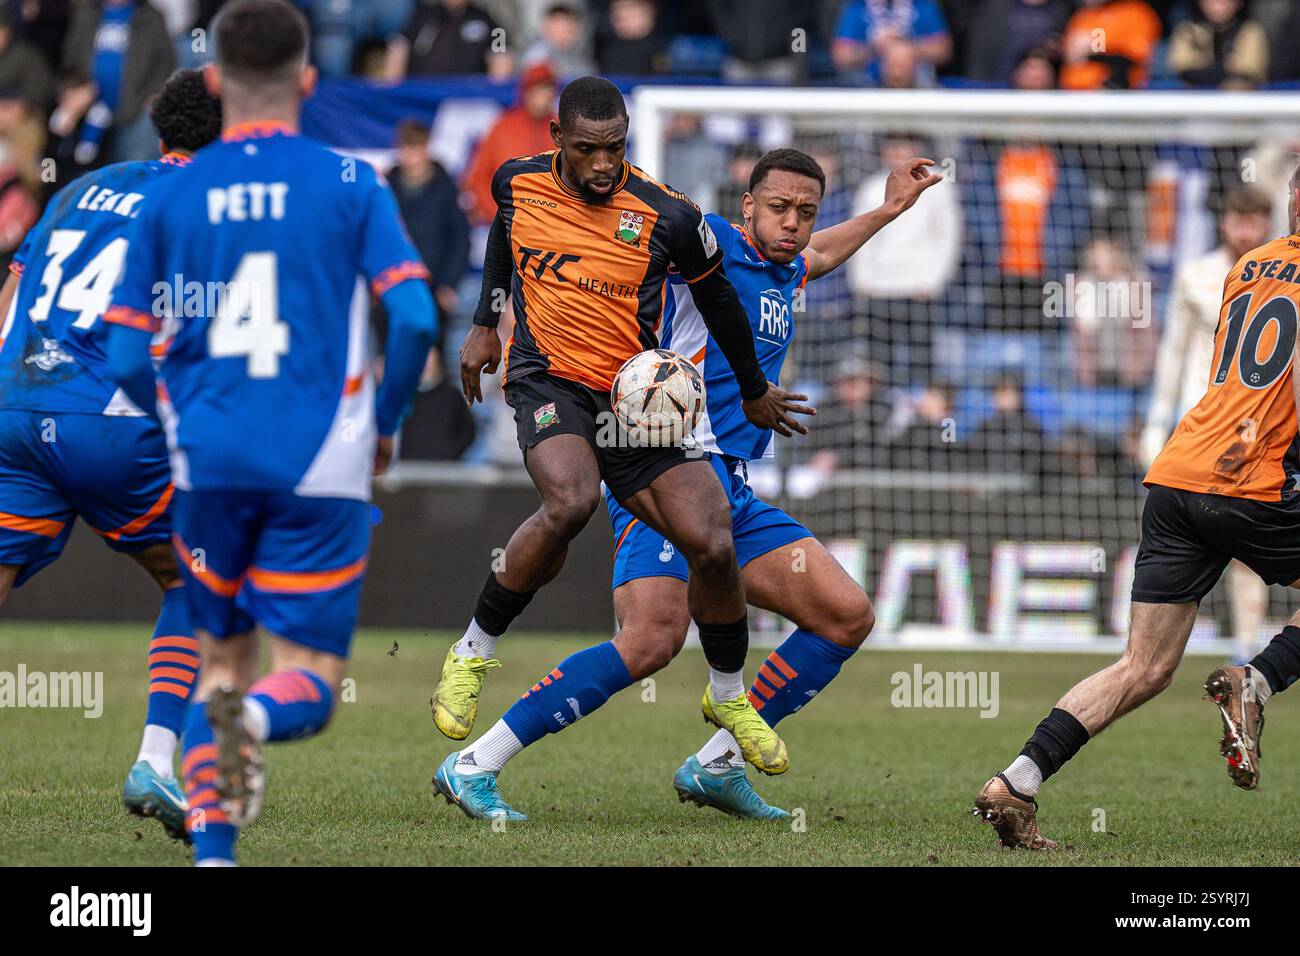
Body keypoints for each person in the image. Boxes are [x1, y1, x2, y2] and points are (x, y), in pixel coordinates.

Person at [437, 147, 939, 820]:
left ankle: (717, 765)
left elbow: (819, 255)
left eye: (806, 212)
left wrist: (890, 208)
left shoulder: (787, 269)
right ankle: (476, 762)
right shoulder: (705, 250)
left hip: (729, 488)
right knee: (650, 641)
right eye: (780, 209)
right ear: (747, 208)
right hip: (668, 471)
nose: (793, 224)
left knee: (845, 615)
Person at [104, 0, 438, 866]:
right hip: (319, 462)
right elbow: (409, 320)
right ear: (310, 80)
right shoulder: (353, 182)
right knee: (310, 688)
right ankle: (251, 717)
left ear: (214, 81)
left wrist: (173, 418)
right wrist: (387, 425)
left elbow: (121, 347)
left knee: (219, 657)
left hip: (207, 462)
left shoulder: (169, 189)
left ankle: (215, 854)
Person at [432, 77, 813, 819]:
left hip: (634, 397)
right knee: (570, 502)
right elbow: (502, 239)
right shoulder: (516, 181)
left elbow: (721, 303)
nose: (604, 164)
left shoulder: (670, 214)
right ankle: (473, 650)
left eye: (616, 148)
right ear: (557, 140)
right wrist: (486, 321)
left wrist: (755, 386)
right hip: (549, 385)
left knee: (711, 539)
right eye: (588, 150)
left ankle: (730, 697)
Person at [973, 162, 1300, 850]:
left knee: (1144, 668)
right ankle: (1258, 679)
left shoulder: (1252, 265)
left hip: (1179, 471)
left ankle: (1017, 781)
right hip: (1251, 479)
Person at [0, 68, 221, 843]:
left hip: (16, 404)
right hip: (112, 422)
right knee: (200, 579)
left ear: (160, 128)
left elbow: (15, 285)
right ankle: (157, 759)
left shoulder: (81, 188)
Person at [1141, 186, 1274, 664]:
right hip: (1199, 424)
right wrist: (1156, 422)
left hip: (1255, 427)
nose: (1247, 232)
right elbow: (1173, 351)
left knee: (1245, 546)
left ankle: (1244, 651)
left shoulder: (1281, 274)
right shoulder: (1196, 276)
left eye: (1256, 222)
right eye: (1240, 221)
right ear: (1225, 222)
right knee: (1178, 540)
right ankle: (1149, 654)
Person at [460, 61, 557, 226]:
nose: (541, 96)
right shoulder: (503, 127)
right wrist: (500, 216)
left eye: (545, 89)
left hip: (554, 225)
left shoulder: (564, 128)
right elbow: (478, 178)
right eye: (536, 89)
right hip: (509, 223)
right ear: (525, 93)